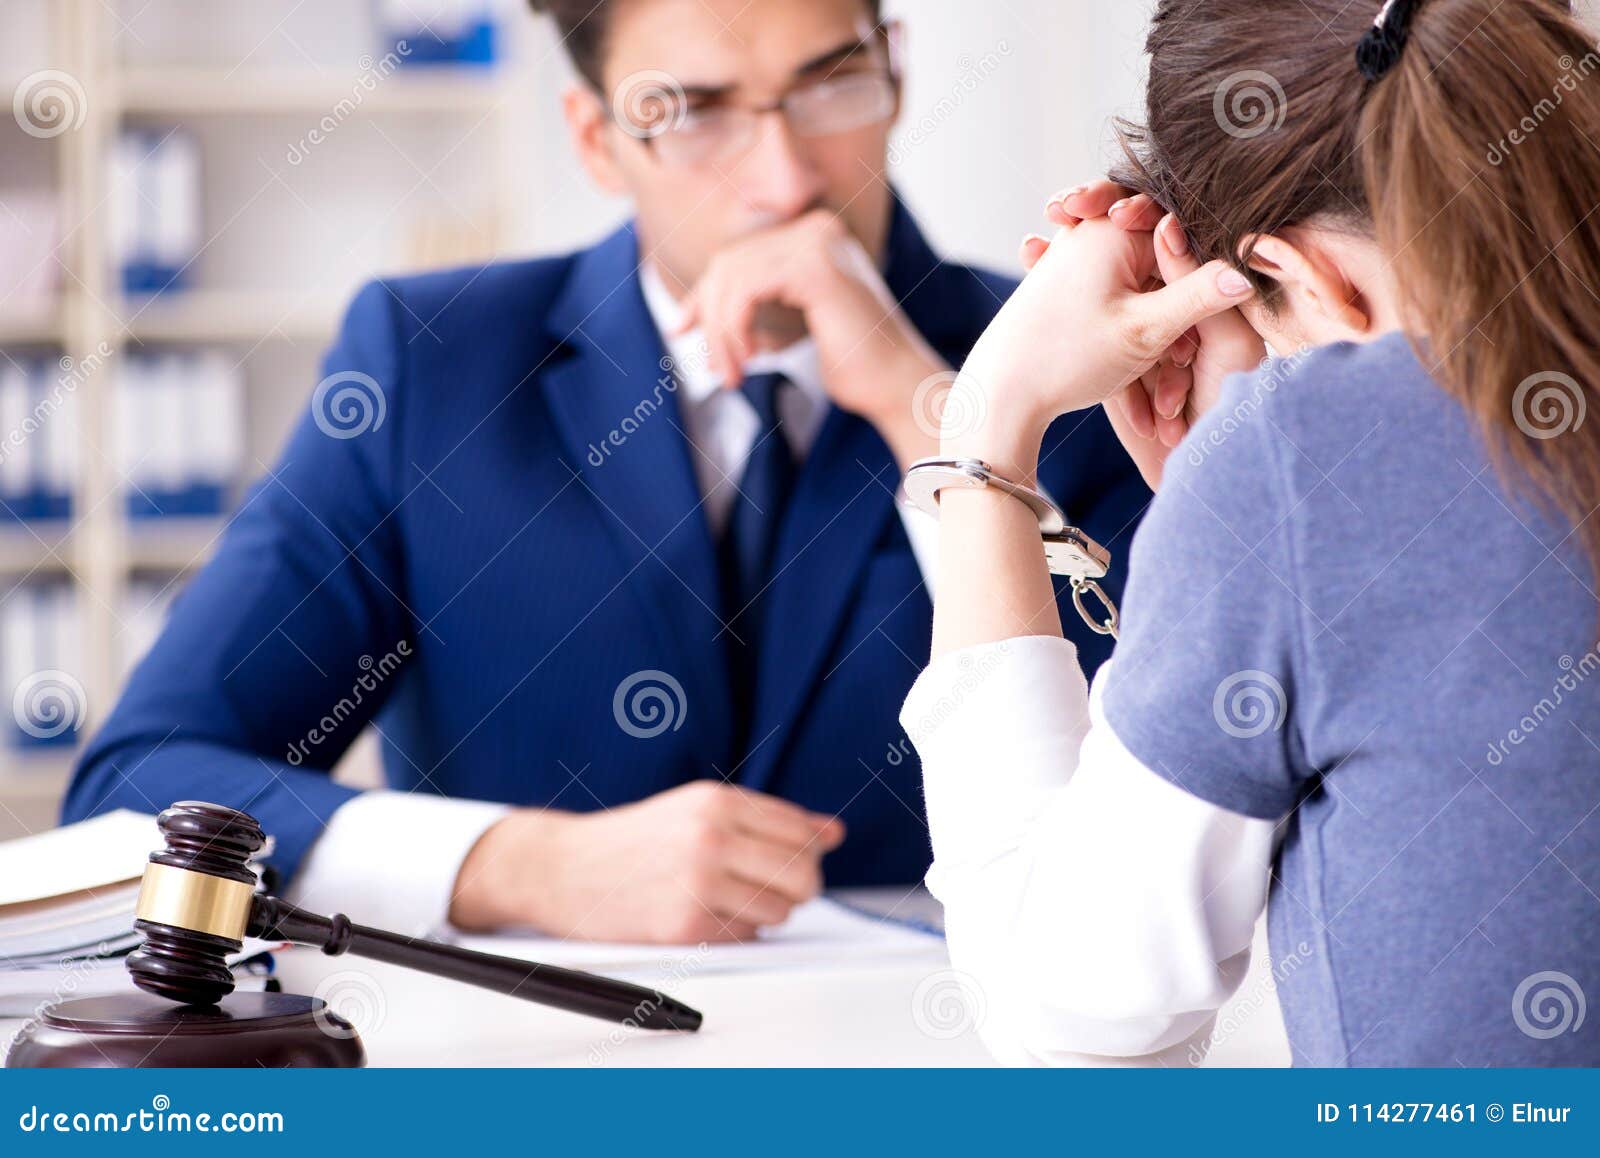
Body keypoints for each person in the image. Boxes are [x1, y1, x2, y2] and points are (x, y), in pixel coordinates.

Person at [61, 0, 1149, 944]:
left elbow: (1161, 789)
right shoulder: (431, 362)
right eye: (692, 111)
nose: (785, 179)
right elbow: (136, 786)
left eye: (831, 85)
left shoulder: (1069, 357)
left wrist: (936, 411)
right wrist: (523, 867)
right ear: (592, 136)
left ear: (896, 70)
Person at [905, 0, 1600, 1065]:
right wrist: (1235, 526)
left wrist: (988, 429)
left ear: (1297, 276)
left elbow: (1076, 1035)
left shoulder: (1307, 454)